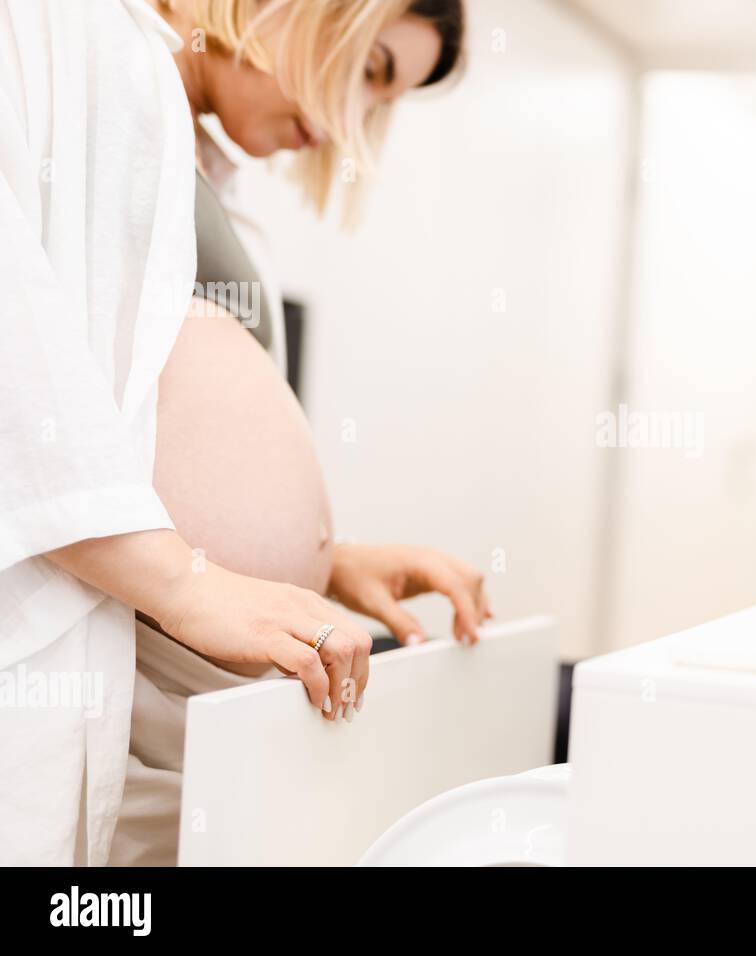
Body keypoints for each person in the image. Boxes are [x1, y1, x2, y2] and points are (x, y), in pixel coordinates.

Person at [0, 0, 478, 866]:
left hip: (192, 730)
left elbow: (141, 418)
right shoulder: (61, 34)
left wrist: (330, 559)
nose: (355, 122)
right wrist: (182, 583)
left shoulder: (201, 158)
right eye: (370, 70)